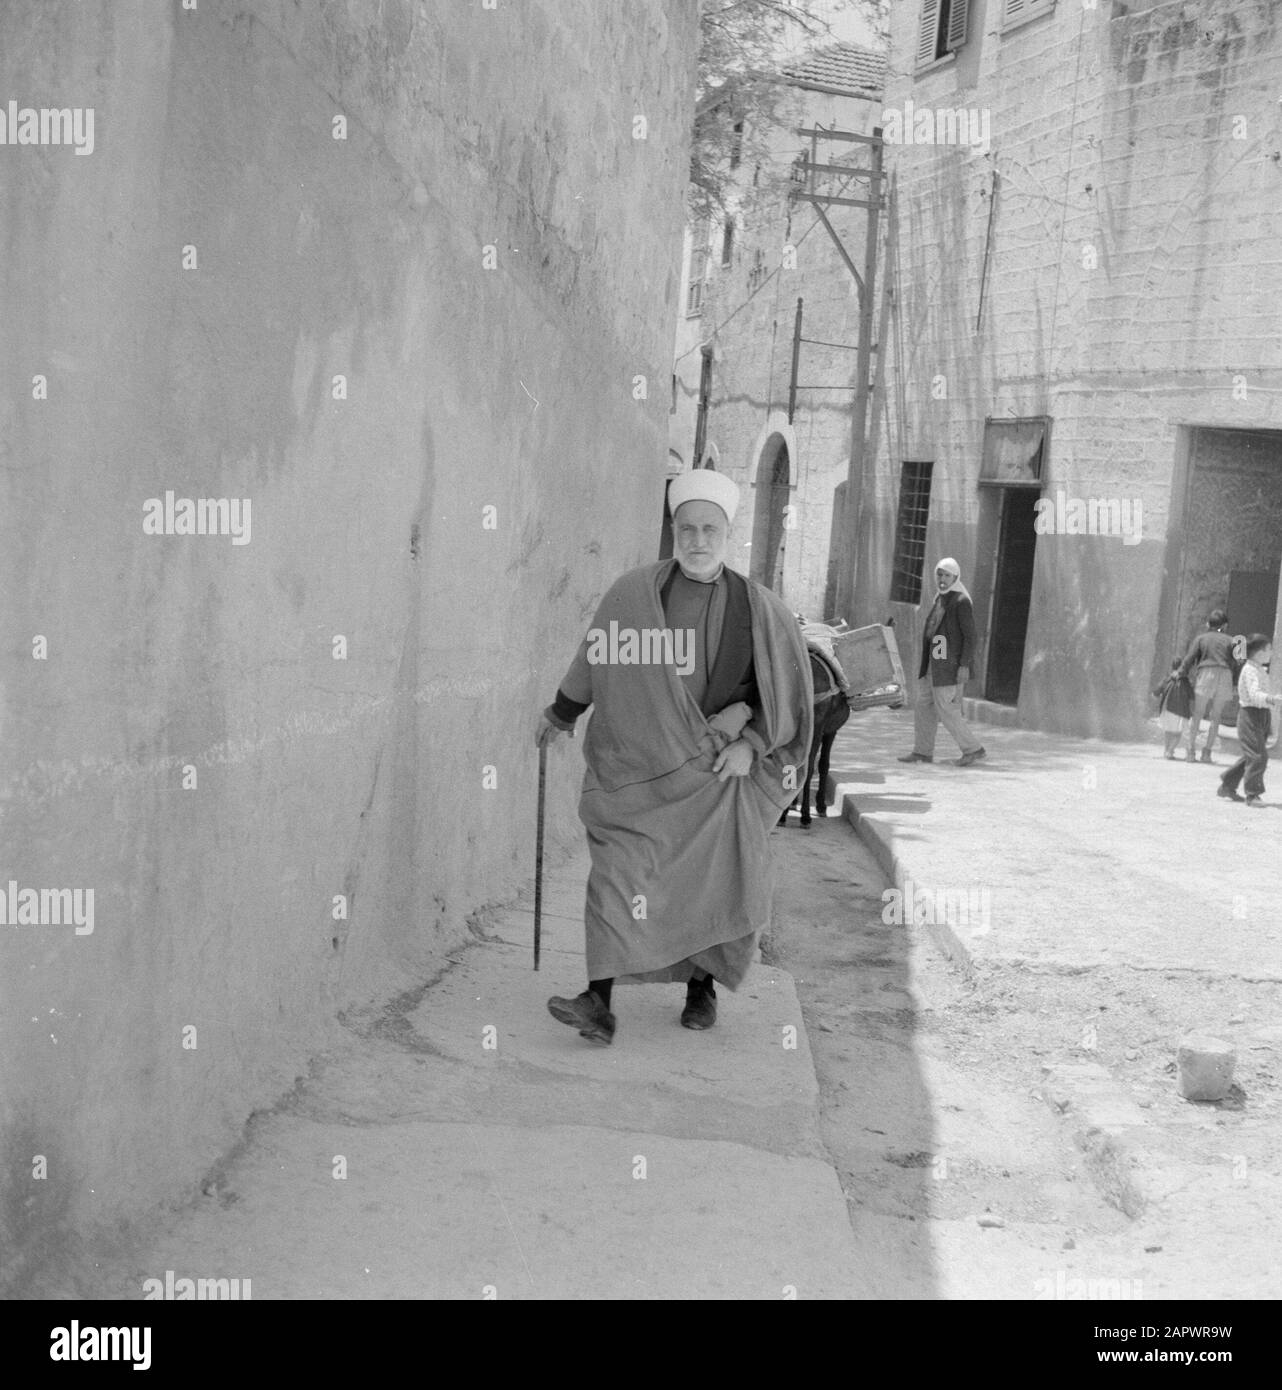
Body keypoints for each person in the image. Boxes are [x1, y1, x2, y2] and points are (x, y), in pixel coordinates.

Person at [535, 470, 813, 1045]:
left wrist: (750, 742)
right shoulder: (635, 595)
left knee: (712, 887)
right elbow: (595, 659)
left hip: (716, 778)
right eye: (687, 528)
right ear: (674, 531)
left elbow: (785, 696)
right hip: (635, 775)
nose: (697, 539)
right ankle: (598, 1000)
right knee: (616, 877)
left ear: (727, 532)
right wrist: (562, 713)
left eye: (710, 529)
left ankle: (700, 990)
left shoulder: (760, 610)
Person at [898, 557, 986, 767]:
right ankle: (922, 752)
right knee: (923, 706)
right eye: (939, 574)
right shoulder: (941, 598)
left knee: (946, 709)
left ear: (955, 577)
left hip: (949, 666)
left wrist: (964, 665)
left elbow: (971, 636)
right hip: (933, 664)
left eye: (947, 575)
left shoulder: (960, 601)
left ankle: (973, 749)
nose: (942, 579)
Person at [1217, 634, 1282, 807]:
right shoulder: (1250, 670)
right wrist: (1271, 699)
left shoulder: (1259, 669)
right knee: (1258, 756)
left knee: (1251, 755)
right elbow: (1254, 695)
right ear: (1258, 652)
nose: (1271, 653)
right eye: (1268, 649)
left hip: (1261, 716)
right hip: (1250, 716)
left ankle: (1227, 785)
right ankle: (1253, 795)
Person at [1178, 608, 1236, 763]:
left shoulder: (1201, 638)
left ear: (1207, 623)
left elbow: (1189, 659)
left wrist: (1180, 672)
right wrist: (1236, 682)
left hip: (1206, 674)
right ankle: (1207, 753)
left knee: (1197, 714)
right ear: (1225, 625)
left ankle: (1190, 751)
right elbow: (1240, 662)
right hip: (1225, 674)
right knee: (1216, 716)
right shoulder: (1234, 640)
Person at [1153, 657, 1192, 759]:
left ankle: (1166, 751)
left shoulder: (1167, 678)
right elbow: (1192, 696)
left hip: (1166, 710)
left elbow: (1156, 692)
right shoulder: (1185, 681)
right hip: (1179, 711)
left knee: (1168, 732)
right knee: (1177, 734)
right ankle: (1170, 751)